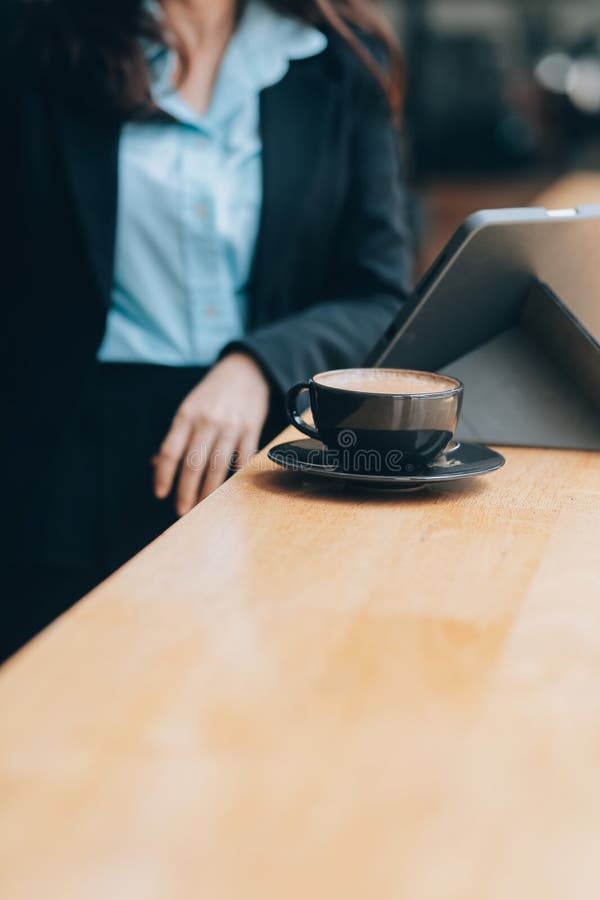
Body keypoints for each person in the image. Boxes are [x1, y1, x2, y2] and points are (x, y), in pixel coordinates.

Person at [0, 0, 412, 660]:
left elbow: (378, 295)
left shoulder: (341, 58)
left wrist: (257, 366)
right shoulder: (31, 42)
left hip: (273, 464)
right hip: (61, 486)